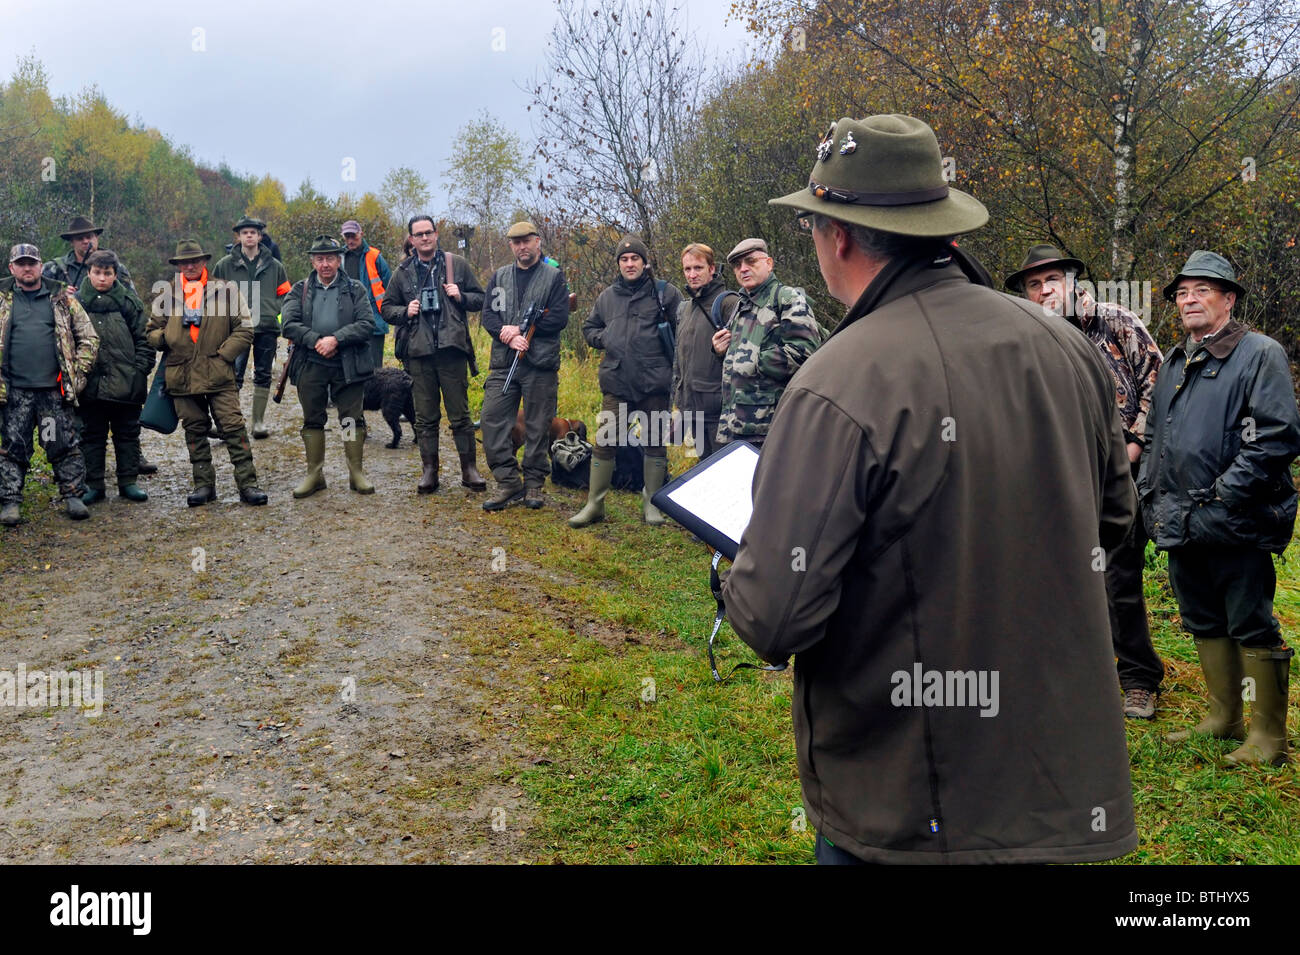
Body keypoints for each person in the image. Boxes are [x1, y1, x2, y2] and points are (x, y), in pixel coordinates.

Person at [723, 114, 1139, 864]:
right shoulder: (1068, 349)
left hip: (907, 805)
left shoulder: (837, 381)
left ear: (837, 236)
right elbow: (1113, 526)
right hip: (1061, 788)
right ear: (941, 227)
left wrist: (741, 567)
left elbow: (774, 617)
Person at [1140, 251, 1300, 766]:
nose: (1189, 299)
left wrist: (1225, 495)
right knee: (1202, 619)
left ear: (1229, 299)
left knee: (1250, 622)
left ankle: (1268, 737)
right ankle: (1223, 717)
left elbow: (1276, 437)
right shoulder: (1173, 360)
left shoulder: (1259, 353)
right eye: (1182, 293)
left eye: (1202, 290)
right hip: (1177, 519)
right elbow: (1154, 435)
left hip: (1236, 521)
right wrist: (1149, 492)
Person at [1006, 244, 1165, 720]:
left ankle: (1138, 678)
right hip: (1055, 477)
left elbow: (1156, 381)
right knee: (1060, 579)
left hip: (1118, 473)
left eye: (1051, 278)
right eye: (1033, 284)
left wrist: (1133, 447)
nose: (1043, 289)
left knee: (1119, 579)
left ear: (1073, 281)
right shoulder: (1027, 338)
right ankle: (1075, 675)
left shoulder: (1115, 321)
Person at [570, 235, 682, 527]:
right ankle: (594, 505)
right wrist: (604, 337)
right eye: (624, 259)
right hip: (617, 381)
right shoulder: (607, 297)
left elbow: (683, 328)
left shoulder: (665, 293)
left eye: (635, 259)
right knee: (605, 441)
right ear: (618, 264)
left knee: (654, 442)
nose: (629, 264)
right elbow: (589, 327)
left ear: (645, 263)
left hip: (654, 382)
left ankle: (652, 504)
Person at [146, 239, 266, 507]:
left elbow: (245, 329)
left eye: (195, 261)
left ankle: (248, 484)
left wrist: (223, 356)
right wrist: (166, 337)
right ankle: (204, 486)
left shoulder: (226, 291)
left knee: (234, 428)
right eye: (184, 262)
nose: (190, 265)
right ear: (177, 265)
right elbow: (150, 332)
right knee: (195, 431)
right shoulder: (166, 295)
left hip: (218, 374)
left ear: (204, 262)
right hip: (181, 375)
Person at [381, 215, 487, 494]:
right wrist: (406, 311)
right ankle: (430, 471)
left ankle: (469, 469)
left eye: (429, 232)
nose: (425, 238)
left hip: (452, 351)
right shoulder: (402, 272)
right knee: (425, 417)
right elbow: (386, 309)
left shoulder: (456, 265)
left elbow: (481, 299)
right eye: (419, 234)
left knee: (460, 415)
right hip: (418, 354)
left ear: (436, 234)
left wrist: (460, 296)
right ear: (411, 239)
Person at [0, 243, 98, 525]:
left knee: (60, 443)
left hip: (51, 393)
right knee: (12, 447)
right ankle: (10, 502)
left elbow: (89, 338)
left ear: (41, 266)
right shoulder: (3, 300)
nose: (27, 268)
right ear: (12, 268)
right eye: (21, 263)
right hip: (14, 393)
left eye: (32, 263)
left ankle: (73, 495)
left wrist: (77, 374)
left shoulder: (62, 299)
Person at [480, 221, 570, 511]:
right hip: (504, 363)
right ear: (511, 246)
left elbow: (559, 317)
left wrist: (523, 331)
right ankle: (508, 481)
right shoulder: (500, 277)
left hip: (540, 365)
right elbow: (488, 317)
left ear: (537, 242)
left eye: (526, 241)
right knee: (492, 420)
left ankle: (533, 484)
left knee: (537, 426)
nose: (522, 247)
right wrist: (507, 335)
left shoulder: (554, 277)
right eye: (516, 242)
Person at [280, 235, 377, 497]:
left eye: (331, 259)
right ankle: (315, 474)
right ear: (313, 261)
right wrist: (315, 340)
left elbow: (367, 324)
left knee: (349, 417)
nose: (325, 264)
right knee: (313, 418)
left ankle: (355, 472)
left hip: (348, 363)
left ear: (338, 260)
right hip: (310, 363)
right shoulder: (299, 290)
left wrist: (337, 339)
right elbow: (287, 324)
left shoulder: (355, 288)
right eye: (320, 259)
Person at [715, 238, 824, 449]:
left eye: (750, 261)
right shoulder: (742, 304)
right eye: (737, 265)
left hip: (769, 425)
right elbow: (743, 352)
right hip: (738, 422)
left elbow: (805, 353)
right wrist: (722, 351)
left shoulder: (787, 298)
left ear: (769, 263)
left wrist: (756, 360)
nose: (743, 269)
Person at [75, 250, 152, 505]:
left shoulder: (130, 302)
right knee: (91, 435)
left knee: (128, 433)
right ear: (89, 273)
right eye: (97, 272)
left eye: (107, 273)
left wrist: (139, 370)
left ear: (115, 275)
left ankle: (128, 482)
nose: (102, 278)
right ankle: (94, 485)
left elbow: (144, 339)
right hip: (90, 384)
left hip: (126, 381)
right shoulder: (76, 303)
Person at [211, 216, 290, 437]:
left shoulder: (275, 266)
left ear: (260, 236)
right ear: (238, 236)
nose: (249, 236)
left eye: (253, 232)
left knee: (263, 374)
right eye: (245, 232)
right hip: (237, 328)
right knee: (232, 374)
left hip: (266, 327)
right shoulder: (225, 265)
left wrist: (273, 308)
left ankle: (257, 423)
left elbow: (286, 295)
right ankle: (229, 422)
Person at [674, 243, 738, 460]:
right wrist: (678, 396)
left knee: (725, 473)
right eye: (687, 269)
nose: (692, 275)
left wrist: (723, 352)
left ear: (712, 268)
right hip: (693, 408)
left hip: (720, 411)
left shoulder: (729, 303)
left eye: (698, 268)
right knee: (704, 470)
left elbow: (745, 357)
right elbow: (679, 356)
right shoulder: (685, 307)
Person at [340, 220, 391, 370]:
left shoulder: (374, 256)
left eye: (353, 236)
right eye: (347, 237)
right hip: (346, 322)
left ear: (361, 234)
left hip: (373, 321)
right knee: (348, 368)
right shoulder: (338, 257)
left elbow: (390, 286)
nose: (350, 240)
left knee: (374, 370)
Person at [43, 215, 135, 292]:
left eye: (89, 237)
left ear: (96, 238)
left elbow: (133, 302)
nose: (86, 241)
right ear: (72, 242)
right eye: (80, 238)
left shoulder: (116, 268)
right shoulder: (55, 268)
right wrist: (58, 292)